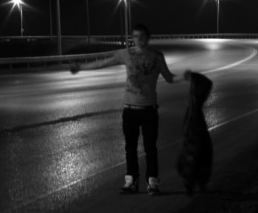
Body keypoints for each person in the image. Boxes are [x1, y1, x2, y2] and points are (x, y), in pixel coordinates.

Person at [70, 23, 191, 195]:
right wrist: (81, 67)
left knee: (150, 148)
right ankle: (131, 181)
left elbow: (169, 78)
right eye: (135, 36)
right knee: (130, 148)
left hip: (149, 110)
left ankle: (153, 182)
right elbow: (103, 63)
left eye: (142, 36)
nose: (138, 39)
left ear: (148, 38)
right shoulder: (126, 54)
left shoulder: (157, 57)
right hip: (130, 109)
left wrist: (185, 76)